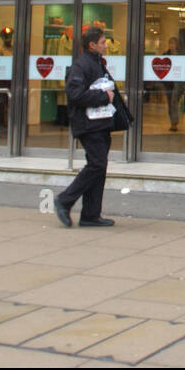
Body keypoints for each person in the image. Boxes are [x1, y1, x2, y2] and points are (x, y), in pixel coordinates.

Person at [55, 25, 132, 228]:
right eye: (103, 43)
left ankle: (90, 215)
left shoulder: (96, 63)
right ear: (92, 45)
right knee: (96, 165)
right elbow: (75, 95)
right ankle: (64, 199)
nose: (106, 46)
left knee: (99, 167)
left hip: (100, 123)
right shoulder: (81, 66)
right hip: (89, 124)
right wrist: (104, 96)